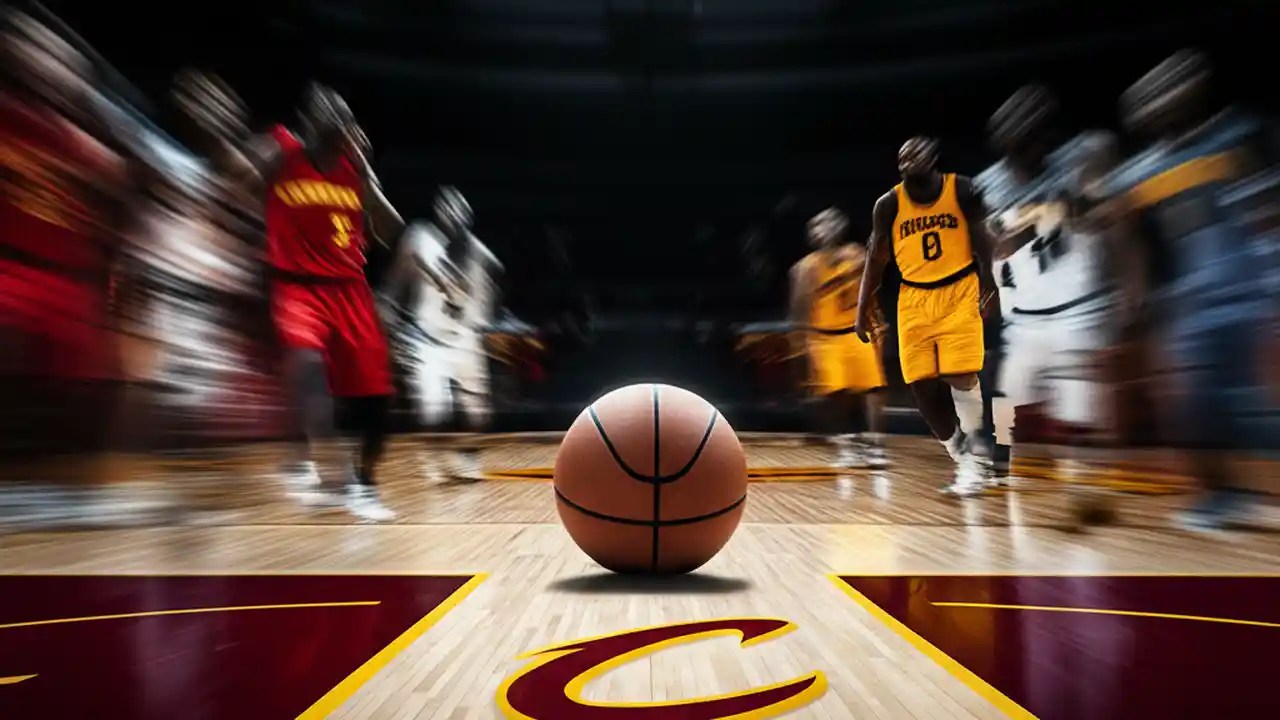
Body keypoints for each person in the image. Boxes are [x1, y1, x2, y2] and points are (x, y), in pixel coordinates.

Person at [1100, 50, 1278, 530]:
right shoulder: (1142, 172)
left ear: (1196, 88)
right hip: (1193, 300)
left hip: (1256, 283)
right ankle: (1222, 495)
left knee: (1261, 403)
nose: (1159, 102)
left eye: (1171, 87)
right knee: (1189, 404)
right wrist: (1131, 287)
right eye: (1148, 98)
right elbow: (1120, 227)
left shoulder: (1239, 135)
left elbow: (1269, 209)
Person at [236, 83, 404, 521]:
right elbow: (235, 179)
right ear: (307, 119)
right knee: (310, 373)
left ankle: (364, 485)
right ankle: (335, 478)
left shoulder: (355, 168)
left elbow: (390, 229)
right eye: (324, 110)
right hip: (296, 285)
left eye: (342, 113)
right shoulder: (279, 149)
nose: (334, 116)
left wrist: (367, 170)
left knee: (377, 398)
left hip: (349, 288)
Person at [976, 86, 1127, 507]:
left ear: (1046, 135)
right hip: (1024, 312)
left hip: (1079, 305)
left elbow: (1107, 202)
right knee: (1007, 392)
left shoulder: (1083, 158)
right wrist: (1043, 215)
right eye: (1015, 139)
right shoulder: (988, 185)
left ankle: (1082, 485)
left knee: (1077, 400)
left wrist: (1083, 200)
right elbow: (997, 245)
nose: (1025, 146)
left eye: (1033, 135)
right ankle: (999, 460)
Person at [0, 9, 126, 500]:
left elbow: (116, 214)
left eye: (60, 60)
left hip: (71, 281)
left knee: (101, 374)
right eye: (35, 49)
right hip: (12, 265)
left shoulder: (87, 142)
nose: (47, 64)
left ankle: (75, 481)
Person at [855, 137, 999, 495]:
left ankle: (977, 460)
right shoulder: (888, 205)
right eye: (902, 155)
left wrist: (989, 284)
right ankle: (962, 457)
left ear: (934, 156)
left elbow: (982, 240)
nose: (908, 159)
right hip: (913, 296)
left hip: (959, 286)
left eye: (916, 152)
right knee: (920, 386)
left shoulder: (962, 189)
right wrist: (862, 308)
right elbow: (876, 258)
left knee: (960, 374)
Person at [382, 187, 502, 478]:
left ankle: (468, 455)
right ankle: (433, 457)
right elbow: (397, 279)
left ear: (467, 218)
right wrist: (388, 302)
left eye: (459, 211)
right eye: (448, 210)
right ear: (439, 214)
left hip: (465, 337)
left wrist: (481, 321)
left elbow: (493, 290)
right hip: (427, 337)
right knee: (433, 409)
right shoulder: (420, 239)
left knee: (478, 413)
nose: (453, 215)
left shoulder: (481, 256)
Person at [788, 207, 889, 468]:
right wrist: (801, 346)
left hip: (856, 332)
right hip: (823, 337)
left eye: (828, 223)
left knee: (874, 389)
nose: (823, 229)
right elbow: (799, 310)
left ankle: (876, 446)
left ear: (839, 227)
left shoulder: (856, 255)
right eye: (817, 226)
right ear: (812, 234)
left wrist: (878, 320)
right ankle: (847, 444)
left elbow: (870, 291)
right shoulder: (804, 268)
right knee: (836, 393)